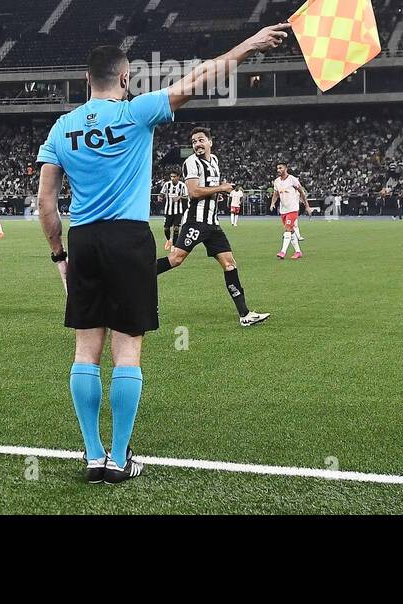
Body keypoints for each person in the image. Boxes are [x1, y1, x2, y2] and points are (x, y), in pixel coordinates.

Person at [37, 25, 287, 485]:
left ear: (86, 80)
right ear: (126, 76)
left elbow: (46, 204)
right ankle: (119, 459)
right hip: (130, 239)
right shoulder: (138, 112)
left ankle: (93, 456)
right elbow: (198, 80)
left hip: (85, 240)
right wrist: (249, 47)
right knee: (127, 350)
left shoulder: (62, 127)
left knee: (85, 350)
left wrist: (59, 255)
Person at [161, 129, 275, 316]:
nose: (197, 144)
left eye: (201, 140)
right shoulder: (191, 163)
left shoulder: (214, 161)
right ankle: (138, 277)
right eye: (194, 141)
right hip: (196, 221)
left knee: (230, 264)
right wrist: (221, 187)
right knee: (176, 259)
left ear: (210, 142)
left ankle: (245, 315)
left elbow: (208, 189)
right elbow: (194, 192)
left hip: (212, 223)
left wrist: (218, 193)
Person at [270, 163, 311, 258]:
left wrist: (307, 206)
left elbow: (301, 192)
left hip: (293, 209)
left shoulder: (292, 179)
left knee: (287, 228)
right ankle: (298, 252)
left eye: (280, 168)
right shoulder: (276, 181)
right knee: (291, 231)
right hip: (283, 210)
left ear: (285, 168)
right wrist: (272, 203)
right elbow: (276, 194)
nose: (278, 170)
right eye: (277, 168)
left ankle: (282, 252)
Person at [158, 171, 188, 249]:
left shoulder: (182, 185)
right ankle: (168, 240)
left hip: (178, 211)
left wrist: (180, 197)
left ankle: (174, 246)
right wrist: (160, 197)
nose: (172, 178)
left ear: (178, 177)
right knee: (166, 228)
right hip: (168, 210)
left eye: (174, 177)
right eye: (171, 177)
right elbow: (162, 193)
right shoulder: (166, 184)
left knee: (176, 228)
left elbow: (187, 197)